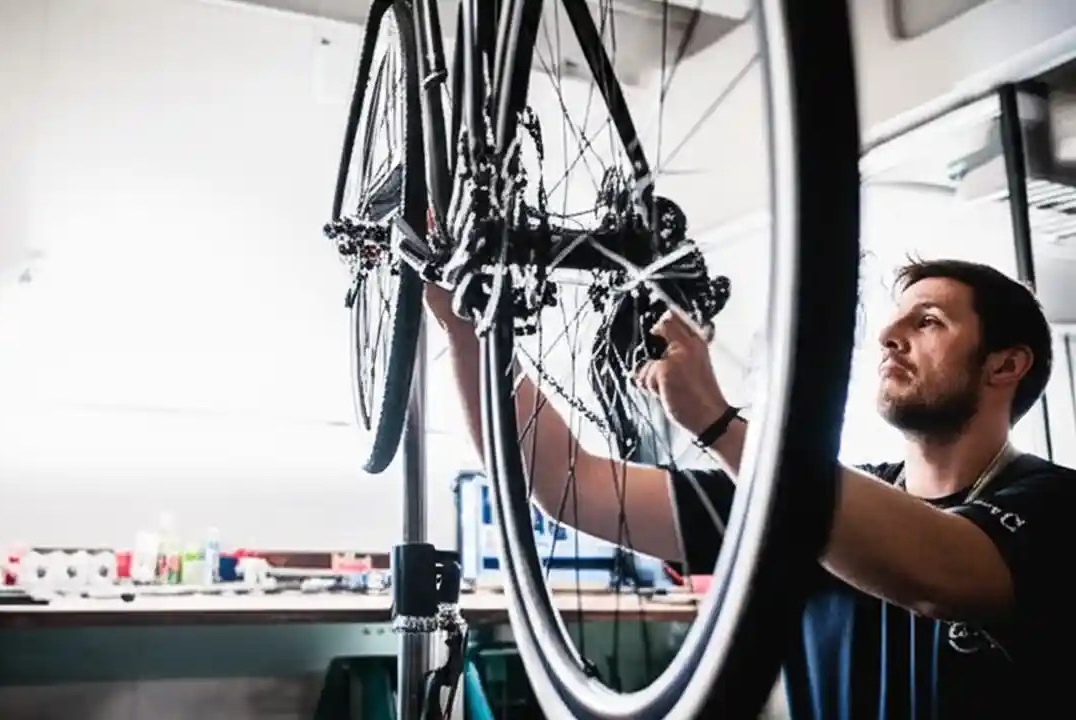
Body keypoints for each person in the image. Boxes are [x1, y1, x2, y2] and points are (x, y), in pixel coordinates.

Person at [425, 257, 1075, 719]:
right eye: (894, 319)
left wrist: (720, 425)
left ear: (1006, 365)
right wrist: (465, 326)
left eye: (928, 321)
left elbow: (940, 574)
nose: (888, 335)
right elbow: (572, 485)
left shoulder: (1053, 504)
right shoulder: (814, 495)